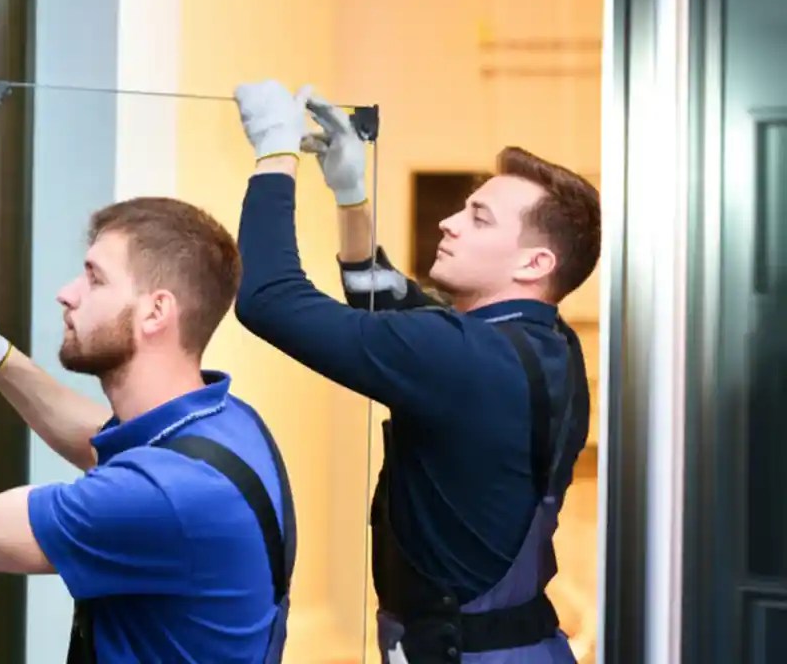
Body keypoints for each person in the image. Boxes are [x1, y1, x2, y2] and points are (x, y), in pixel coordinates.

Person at [231, 79, 599, 664]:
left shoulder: (462, 355)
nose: (450, 221)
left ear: (535, 262)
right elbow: (381, 295)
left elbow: (267, 298)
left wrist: (274, 154)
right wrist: (350, 194)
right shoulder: (543, 342)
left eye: (478, 218)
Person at [0, 197, 297, 663]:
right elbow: (98, 441)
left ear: (156, 312)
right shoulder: (226, 423)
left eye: (95, 279)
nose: (68, 293)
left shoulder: (169, 495)